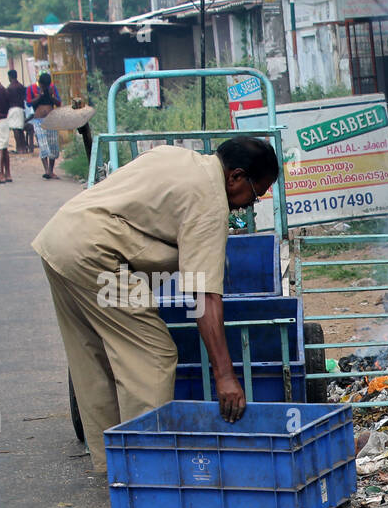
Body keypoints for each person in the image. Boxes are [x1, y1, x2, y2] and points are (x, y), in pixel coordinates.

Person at [32, 137, 279, 473]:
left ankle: (114, 465)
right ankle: (145, 466)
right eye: (257, 190)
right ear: (235, 176)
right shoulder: (210, 201)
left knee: (95, 358)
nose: (252, 203)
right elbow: (204, 298)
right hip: (95, 254)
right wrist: (225, 376)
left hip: (60, 239)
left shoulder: (176, 157)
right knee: (153, 356)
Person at [27, 74, 61, 179]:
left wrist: (51, 96)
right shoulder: (32, 89)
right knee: (43, 145)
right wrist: (39, 96)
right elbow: (29, 103)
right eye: (44, 85)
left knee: (53, 145)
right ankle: (46, 170)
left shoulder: (52, 89)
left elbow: (58, 103)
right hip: (38, 121)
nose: (45, 87)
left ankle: (50, 170)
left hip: (51, 120)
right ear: (40, 84)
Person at [5, 70, 28, 153]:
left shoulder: (10, 87)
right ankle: (23, 148)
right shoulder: (21, 86)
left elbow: (6, 100)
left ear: (10, 77)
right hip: (21, 109)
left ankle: (19, 149)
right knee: (20, 129)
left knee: (16, 130)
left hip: (13, 109)